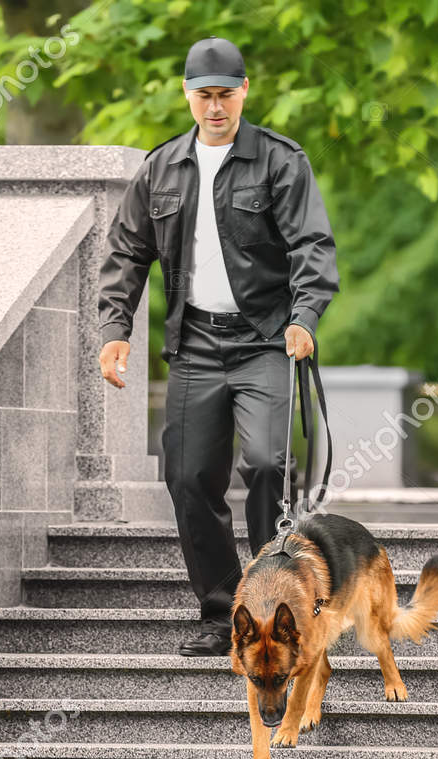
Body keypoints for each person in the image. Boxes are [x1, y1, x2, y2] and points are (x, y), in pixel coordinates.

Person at [96, 35, 339, 656]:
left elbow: (312, 246)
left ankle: (274, 606)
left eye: (225, 95)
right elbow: (126, 251)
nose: (214, 107)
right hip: (196, 345)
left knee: (265, 464)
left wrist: (304, 316)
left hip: (264, 341)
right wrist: (115, 330)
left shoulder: (280, 161)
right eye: (203, 95)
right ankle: (219, 612)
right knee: (187, 475)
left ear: (244, 92)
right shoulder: (161, 168)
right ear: (186, 94)